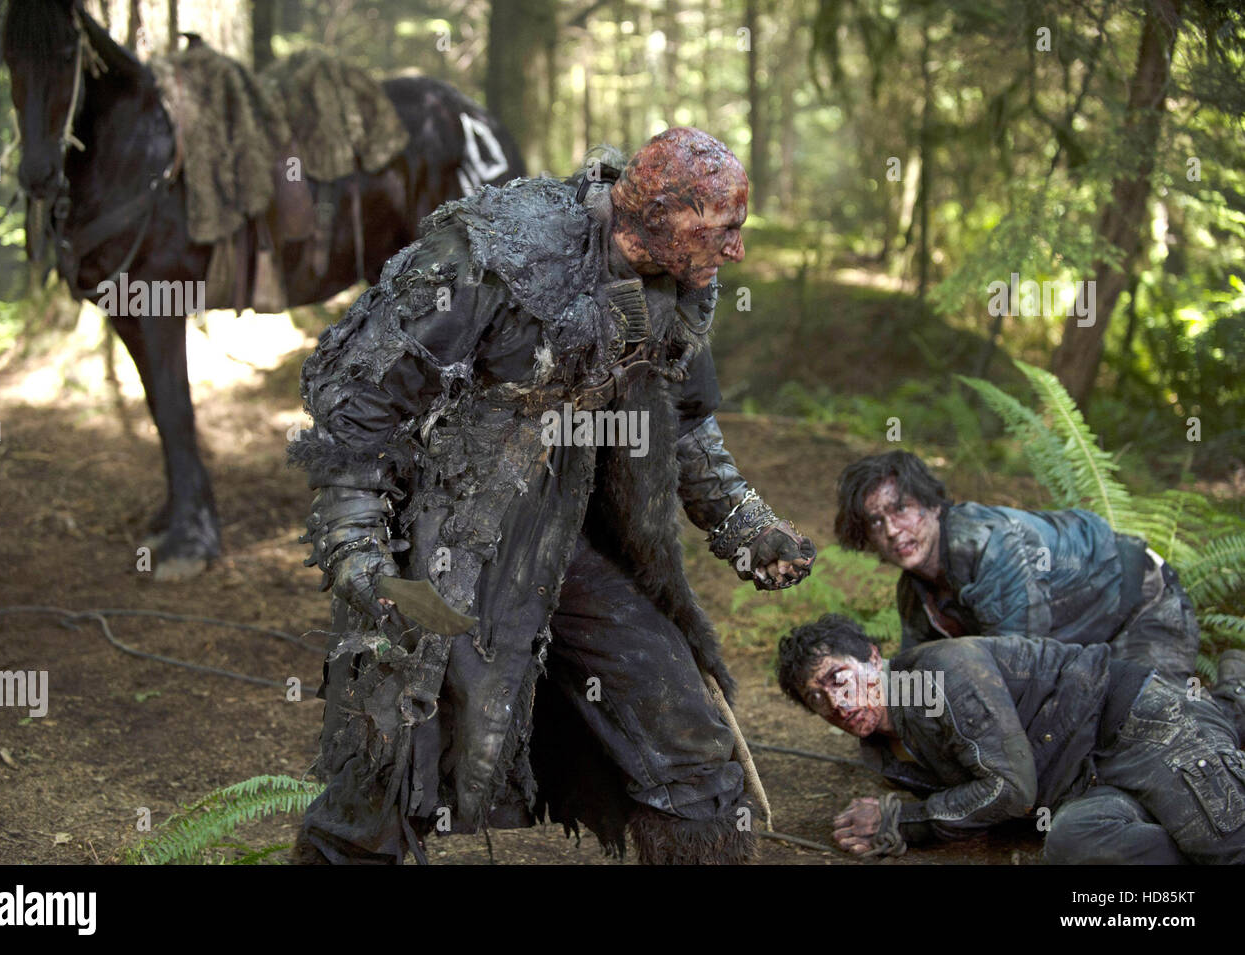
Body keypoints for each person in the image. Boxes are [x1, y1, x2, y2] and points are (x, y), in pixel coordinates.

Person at [287, 127, 817, 864]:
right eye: (722, 228)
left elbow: (681, 425)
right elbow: (358, 395)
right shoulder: (493, 255)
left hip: (564, 536)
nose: (736, 251)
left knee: (686, 736)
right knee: (388, 767)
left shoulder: (680, 285)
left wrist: (743, 520)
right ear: (659, 216)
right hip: (442, 540)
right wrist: (359, 546)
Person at [777, 614, 1245, 864]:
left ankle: (1226, 709)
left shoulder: (942, 672)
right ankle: (1225, 722)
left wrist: (906, 821)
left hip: (1133, 726)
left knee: (1224, 846)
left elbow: (1010, 789)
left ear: (874, 658)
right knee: (1072, 846)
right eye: (816, 698)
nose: (836, 703)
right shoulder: (884, 752)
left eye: (839, 678)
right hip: (1082, 783)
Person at [833, 450, 1201, 685]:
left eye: (901, 509)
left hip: (1142, 605)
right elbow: (919, 673)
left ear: (932, 505)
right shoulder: (914, 591)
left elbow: (1019, 671)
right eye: (876, 522)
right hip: (1084, 640)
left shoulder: (993, 546)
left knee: (1158, 726)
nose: (893, 531)